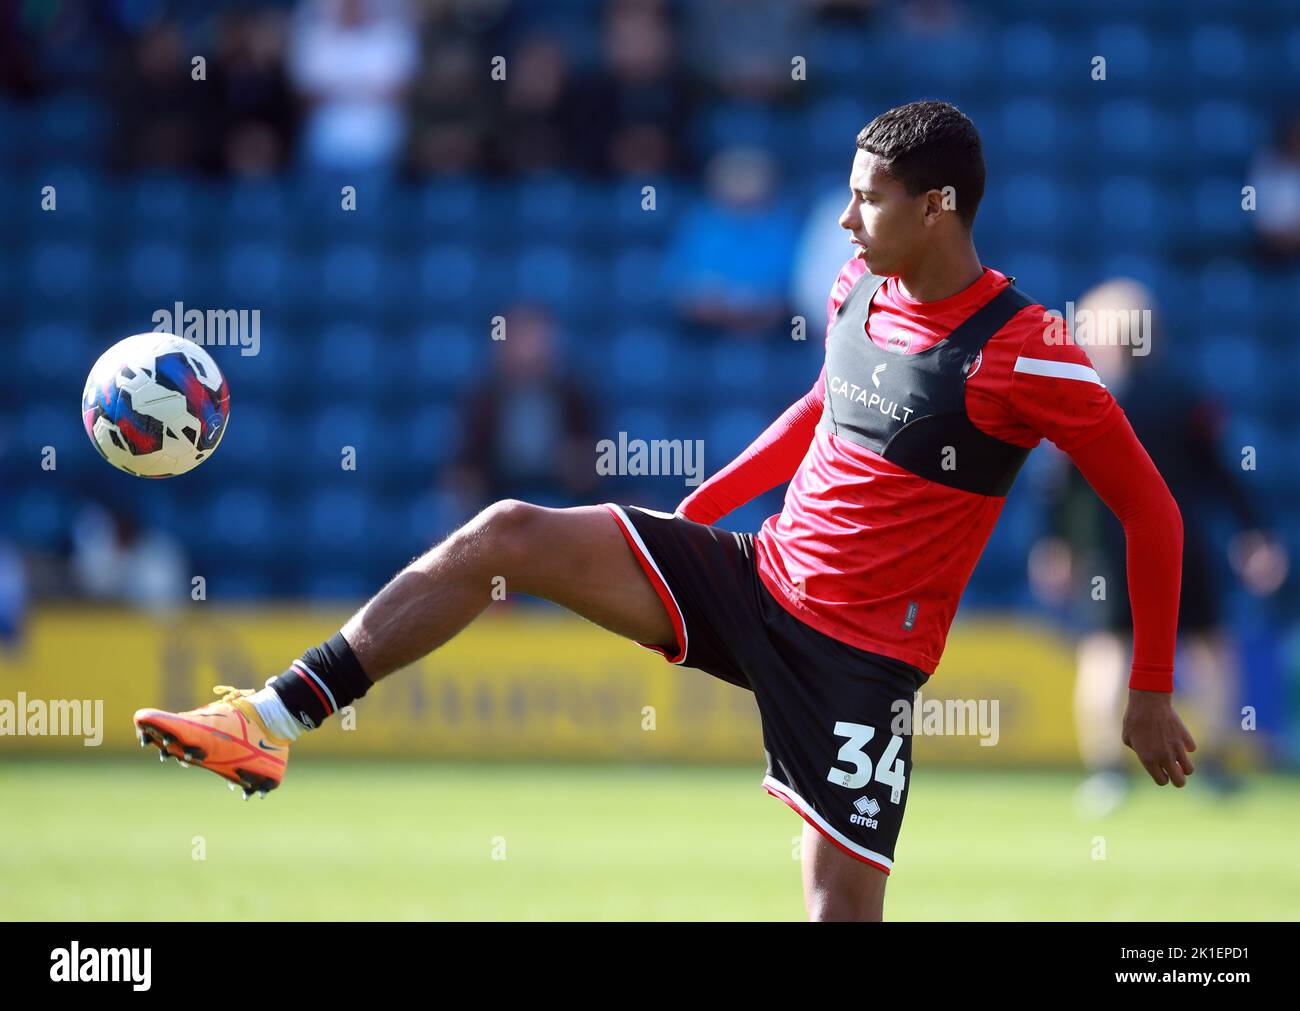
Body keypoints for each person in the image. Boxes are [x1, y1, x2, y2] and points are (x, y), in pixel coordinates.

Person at [133, 101, 1194, 922]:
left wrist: (1148, 689)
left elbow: (1153, 516)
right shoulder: (857, 286)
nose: (841, 217)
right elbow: (827, 408)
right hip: (756, 580)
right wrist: (700, 511)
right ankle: (266, 724)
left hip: (860, 666)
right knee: (506, 531)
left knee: (838, 908)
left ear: (937, 209)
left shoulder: (1027, 351)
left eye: (866, 198)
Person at [1028, 280, 1288, 814]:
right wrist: (1253, 533)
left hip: (1110, 551)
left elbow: (1062, 485)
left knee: (1105, 655)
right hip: (1178, 547)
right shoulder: (1187, 395)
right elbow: (1222, 475)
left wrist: (1056, 546)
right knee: (1209, 648)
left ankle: (1106, 774)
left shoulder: (1087, 396)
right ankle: (1211, 766)